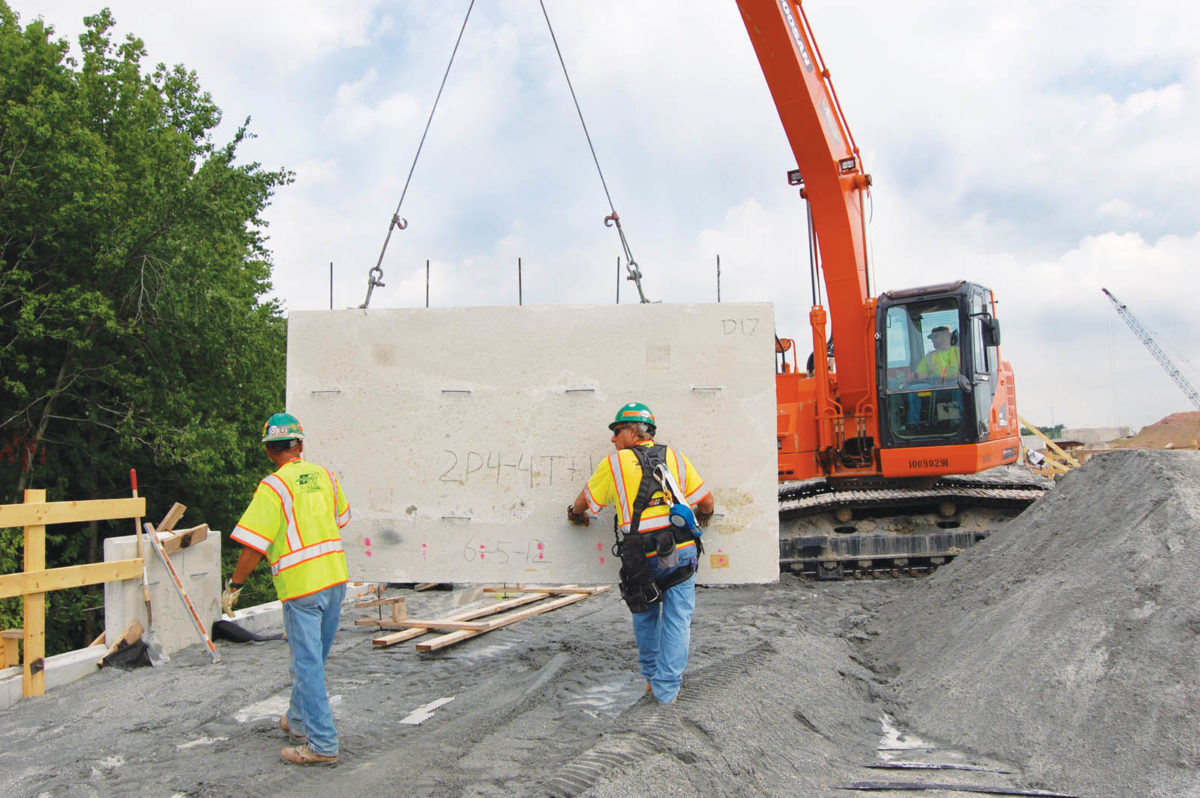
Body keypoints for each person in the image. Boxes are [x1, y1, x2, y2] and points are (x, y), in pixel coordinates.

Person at [221, 412, 352, 766]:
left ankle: (322, 745)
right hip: (335, 581)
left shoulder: (273, 487)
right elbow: (341, 518)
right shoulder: (326, 476)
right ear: (301, 445)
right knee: (314, 660)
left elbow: (254, 546)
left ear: (268, 451)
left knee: (307, 666)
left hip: (301, 589)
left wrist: (235, 586)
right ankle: (297, 721)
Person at [567, 402, 714, 706]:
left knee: (645, 614)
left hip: (641, 557)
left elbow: (584, 503)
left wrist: (574, 515)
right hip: (682, 550)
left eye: (617, 431)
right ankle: (666, 692)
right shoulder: (673, 455)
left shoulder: (614, 464)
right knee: (678, 620)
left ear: (633, 431)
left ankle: (650, 679)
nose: (612, 438)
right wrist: (704, 516)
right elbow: (707, 501)